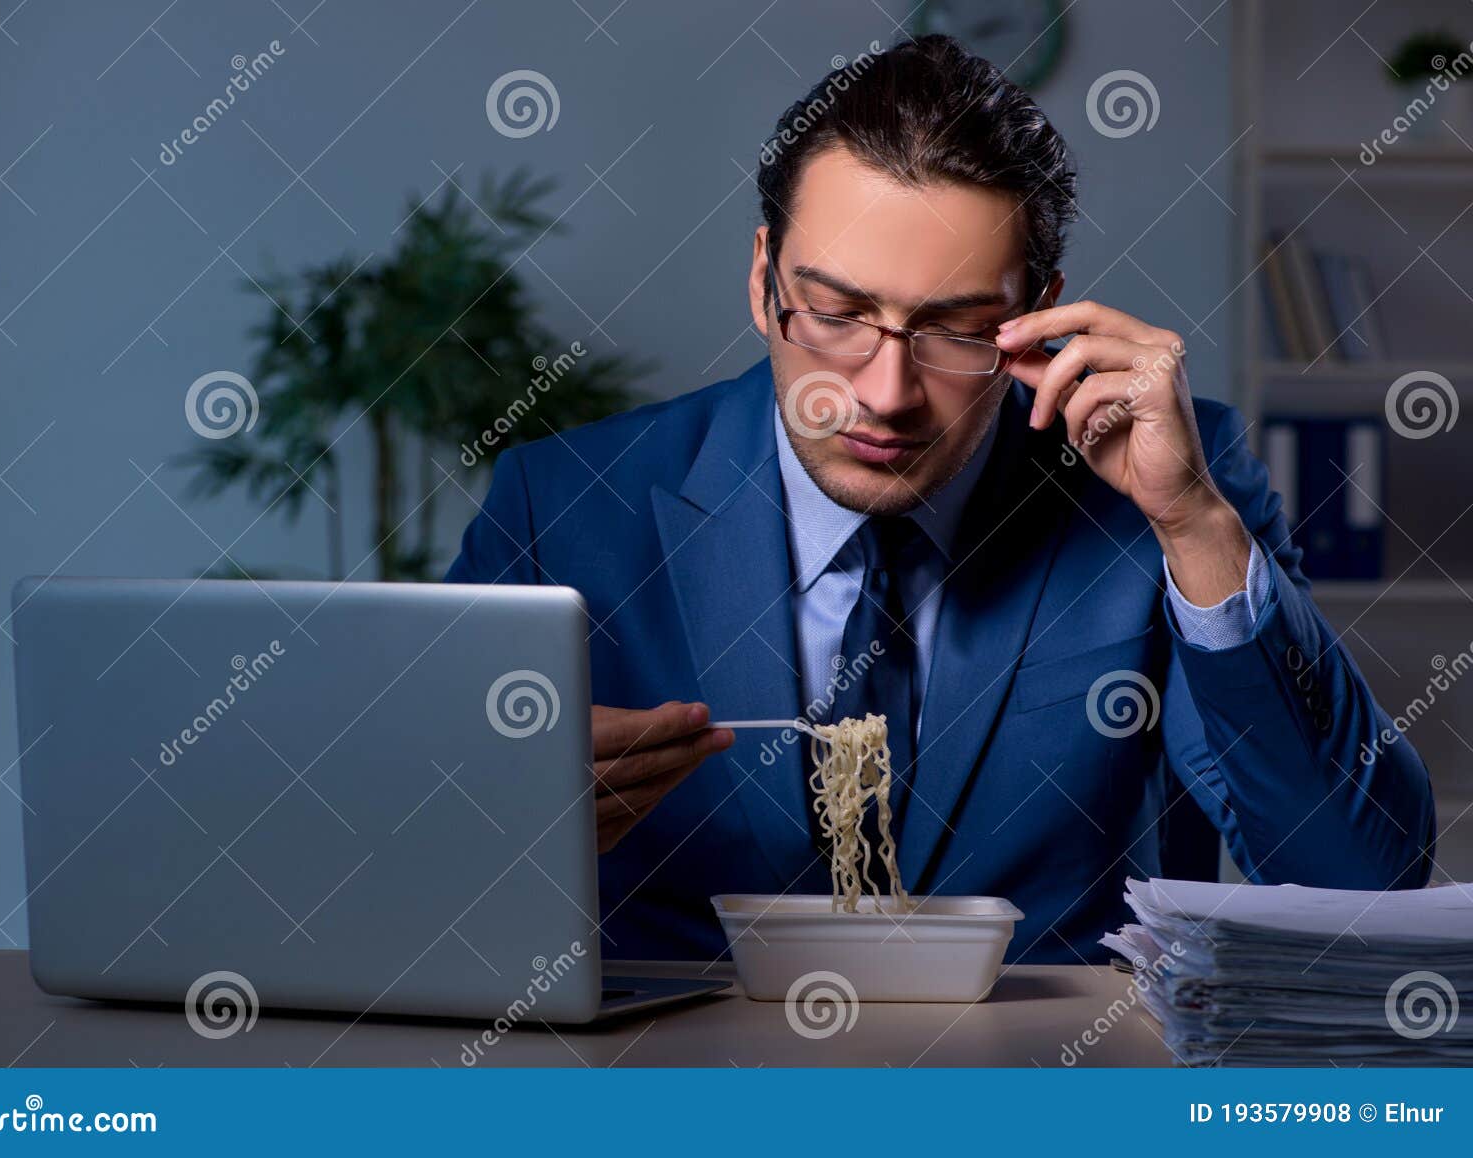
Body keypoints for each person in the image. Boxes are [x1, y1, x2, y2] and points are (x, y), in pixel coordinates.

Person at [447, 35, 1434, 963]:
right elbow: (411, 869)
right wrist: (499, 818)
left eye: (956, 331)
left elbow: (1358, 887)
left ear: (1038, 311)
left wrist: (1192, 525)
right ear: (761, 282)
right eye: (834, 314)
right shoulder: (564, 506)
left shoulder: (1174, 485)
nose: (882, 394)